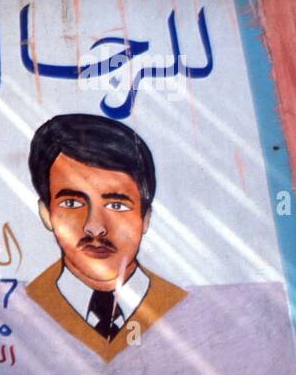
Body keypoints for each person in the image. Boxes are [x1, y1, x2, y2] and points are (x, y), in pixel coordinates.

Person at [25, 113, 186, 361]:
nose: (95, 228)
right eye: (72, 203)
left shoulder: (182, 308)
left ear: (145, 218)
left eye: (117, 206)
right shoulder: (24, 307)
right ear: (46, 214)